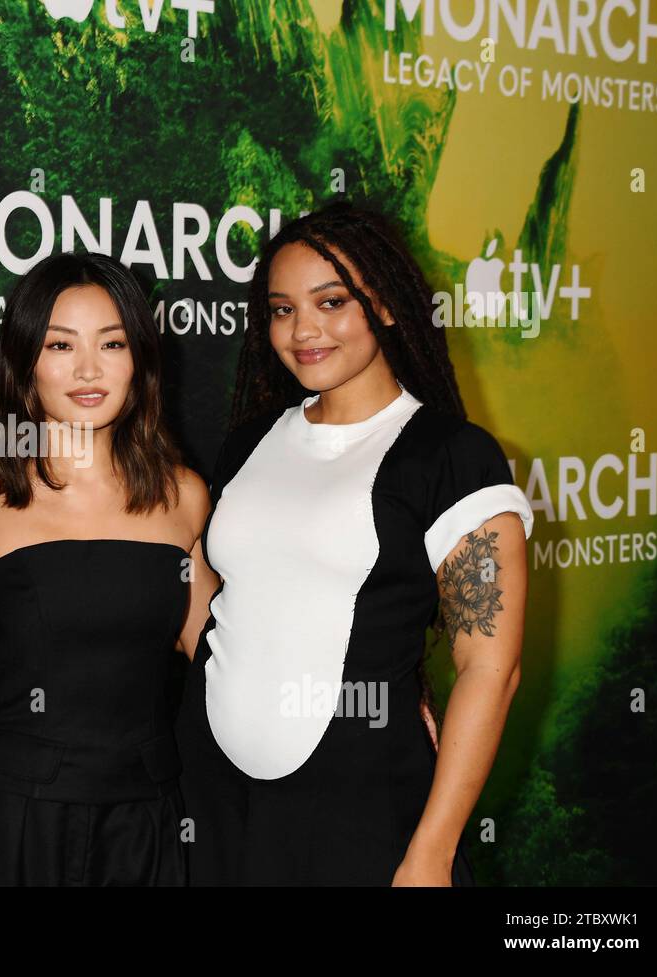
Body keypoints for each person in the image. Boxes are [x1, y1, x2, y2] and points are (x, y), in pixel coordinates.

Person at [176, 202, 532, 885]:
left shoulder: (451, 456)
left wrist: (431, 851)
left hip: (363, 809)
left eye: (331, 301)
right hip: (215, 802)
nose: (303, 329)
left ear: (389, 307)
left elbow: (491, 668)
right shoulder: (251, 440)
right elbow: (228, 598)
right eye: (282, 309)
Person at [0, 252, 216, 885]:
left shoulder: (184, 496)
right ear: (26, 362)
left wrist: (377, 691)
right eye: (62, 345)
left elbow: (224, 658)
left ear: (138, 357)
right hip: (11, 822)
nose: (89, 368)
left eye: (112, 343)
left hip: (144, 824)